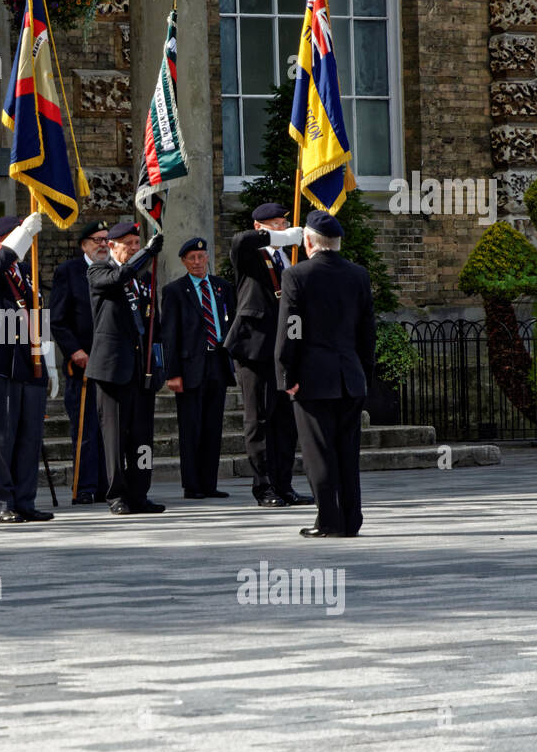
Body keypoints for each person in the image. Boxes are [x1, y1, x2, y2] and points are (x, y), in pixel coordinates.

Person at [276, 210, 376, 538]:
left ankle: (328, 520)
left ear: (308, 241)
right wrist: (364, 374)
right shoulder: (358, 275)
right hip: (350, 377)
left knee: (319, 454)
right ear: (337, 242)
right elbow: (367, 333)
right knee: (347, 452)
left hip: (312, 378)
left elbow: (291, 330)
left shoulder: (297, 276)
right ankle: (351, 519)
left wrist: (286, 375)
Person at [224, 202, 314, 509]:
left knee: (285, 422)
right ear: (261, 227)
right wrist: (278, 237)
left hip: (284, 348)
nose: (283, 228)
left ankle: (284, 484)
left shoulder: (287, 260)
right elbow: (240, 240)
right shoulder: (251, 253)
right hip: (256, 347)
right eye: (276, 224)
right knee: (259, 419)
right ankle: (263, 487)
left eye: (284, 223)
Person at [0, 213, 52, 523]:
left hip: (28, 362)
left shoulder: (26, 271)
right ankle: (3, 503)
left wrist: (46, 358)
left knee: (29, 436)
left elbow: (36, 312)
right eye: (18, 238)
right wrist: (22, 235)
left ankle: (25, 501)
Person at [87, 220, 165, 515]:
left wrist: (158, 364)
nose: (134, 248)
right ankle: (117, 494)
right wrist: (145, 253)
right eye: (129, 244)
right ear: (112, 246)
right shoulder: (99, 270)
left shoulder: (144, 279)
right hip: (112, 369)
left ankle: (140, 491)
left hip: (141, 369)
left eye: (137, 243)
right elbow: (120, 276)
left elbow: (154, 326)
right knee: (116, 437)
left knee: (142, 438)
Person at [161, 237, 236, 500]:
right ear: (183, 261)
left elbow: (231, 321)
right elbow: (169, 335)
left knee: (213, 427)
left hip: (217, 362)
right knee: (191, 427)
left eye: (201, 257)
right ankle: (192, 485)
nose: (197, 262)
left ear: (208, 259)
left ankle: (209, 482)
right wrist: (172, 372)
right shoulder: (175, 291)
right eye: (191, 258)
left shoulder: (221, 287)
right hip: (190, 366)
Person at [50, 219, 111, 504]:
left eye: (105, 239)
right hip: (83, 364)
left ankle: (106, 485)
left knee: (107, 429)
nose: (102, 244)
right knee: (85, 429)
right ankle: (83, 487)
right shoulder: (69, 272)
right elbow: (59, 319)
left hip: (111, 363)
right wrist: (74, 351)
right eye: (97, 240)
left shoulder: (114, 270)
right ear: (84, 244)